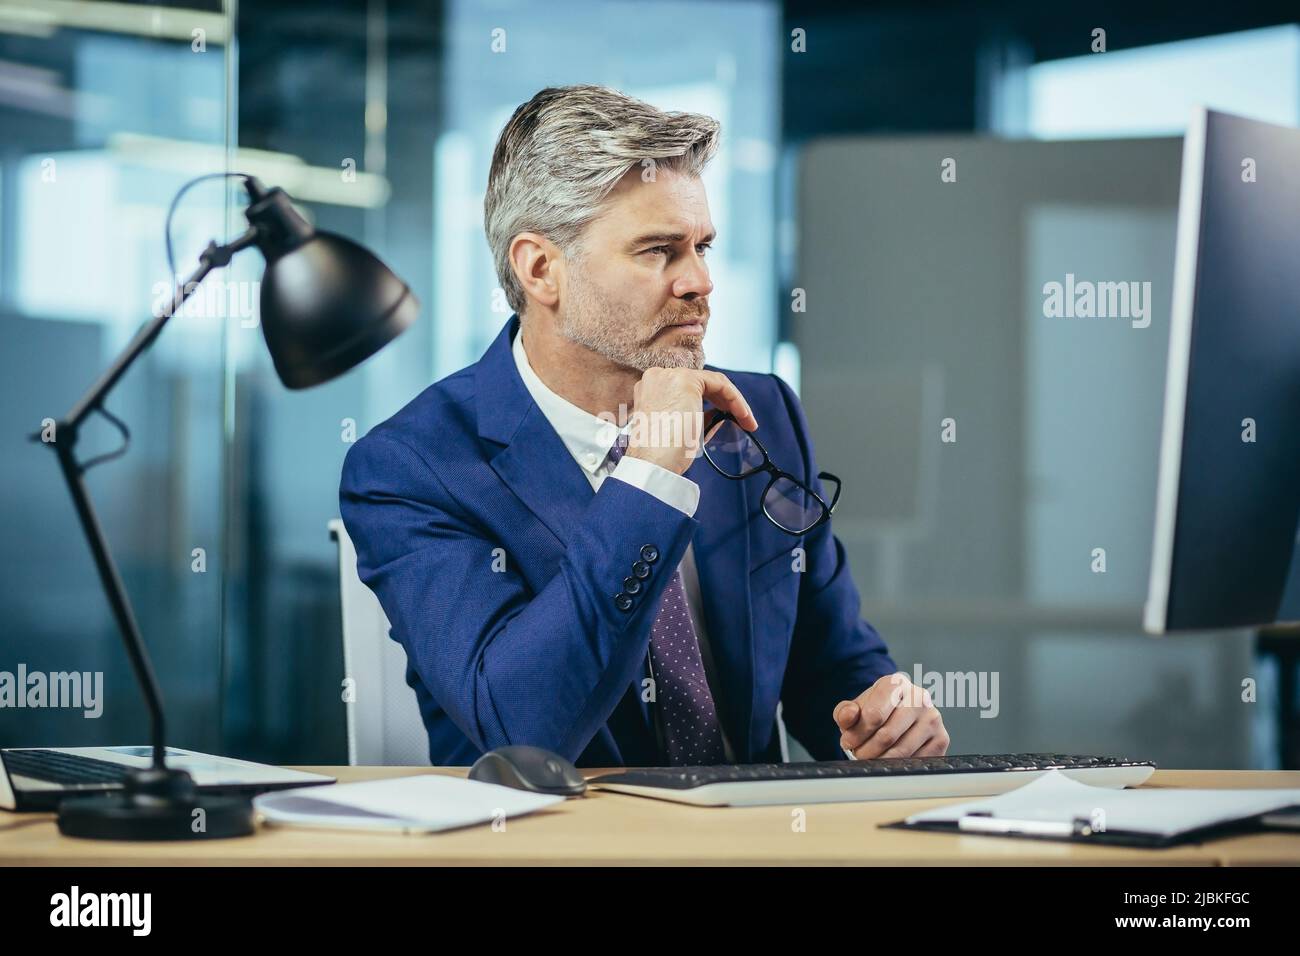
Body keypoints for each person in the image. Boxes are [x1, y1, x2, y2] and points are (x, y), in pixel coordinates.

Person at [340, 85, 949, 767]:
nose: (700, 281)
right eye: (659, 251)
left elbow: (831, 664)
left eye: (703, 247)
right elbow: (524, 731)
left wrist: (881, 719)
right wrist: (650, 476)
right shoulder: (413, 466)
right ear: (541, 269)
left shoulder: (758, 416)